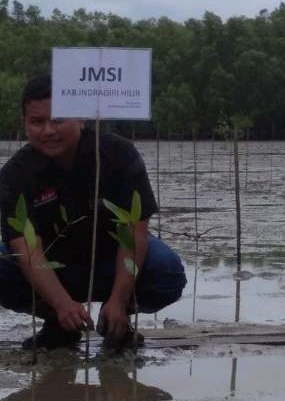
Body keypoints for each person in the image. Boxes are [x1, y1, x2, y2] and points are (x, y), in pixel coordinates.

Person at [0, 74, 187, 350]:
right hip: (53, 265)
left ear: (81, 119)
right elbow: (27, 249)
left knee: (166, 271)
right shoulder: (16, 174)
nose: (48, 131)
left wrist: (119, 300)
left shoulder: (118, 155)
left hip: (111, 261)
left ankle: (116, 319)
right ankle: (59, 321)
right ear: (24, 123)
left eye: (58, 120)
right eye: (37, 122)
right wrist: (61, 304)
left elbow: (135, 231)